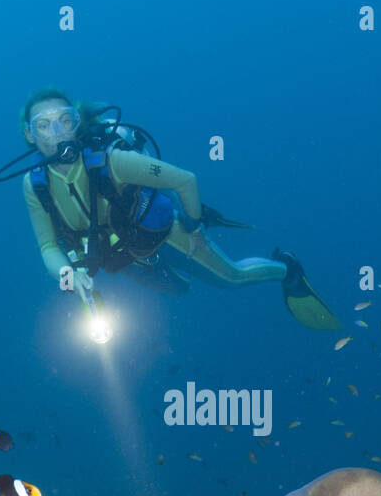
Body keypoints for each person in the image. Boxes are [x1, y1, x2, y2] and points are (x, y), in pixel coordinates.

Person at [19, 88, 341, 329]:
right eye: (44, 126)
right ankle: (164, 267)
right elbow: (48, 244)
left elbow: (185, 180)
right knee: (181, 290)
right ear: (29, 135)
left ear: (77, 124)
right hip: (123, 255)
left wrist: (193, 224)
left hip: (164, 234)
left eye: (65, 120)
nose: (58, 133)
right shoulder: (34, 184)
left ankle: (287, 269)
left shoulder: (114, 161)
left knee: (231, 279)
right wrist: (68, 275)